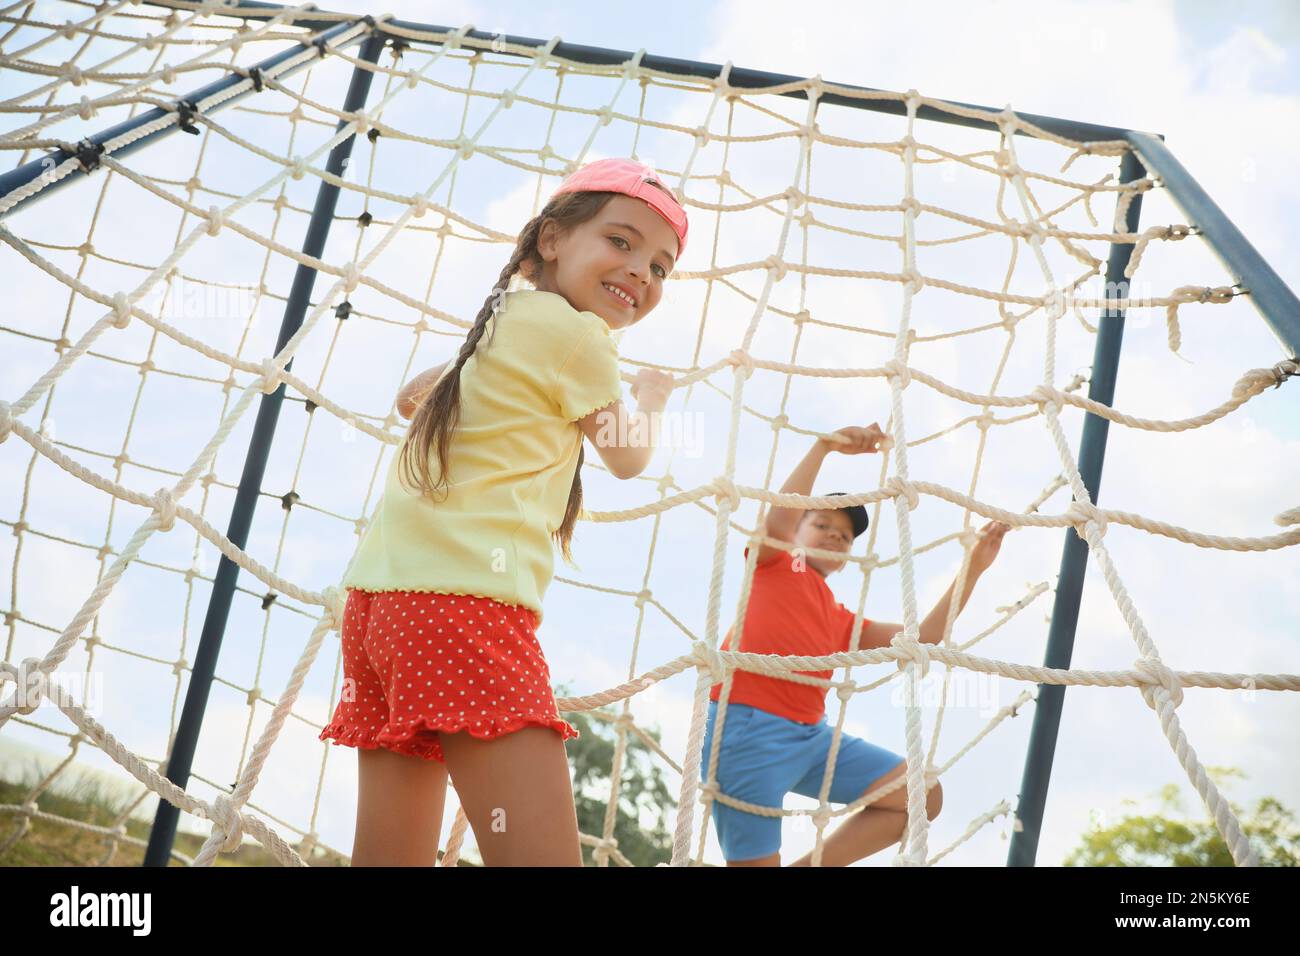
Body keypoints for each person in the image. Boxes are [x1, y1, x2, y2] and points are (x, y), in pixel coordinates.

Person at [319, 158, 685, 865]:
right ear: (551, 240)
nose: (642, 271)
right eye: (621, 242)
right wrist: (653, 401)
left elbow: (414, 394)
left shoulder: (502, 322)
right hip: (466, 610)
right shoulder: (577, 337)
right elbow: (627, 456)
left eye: (662, 267)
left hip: (378, 611)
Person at [700, 424, 1010, 866]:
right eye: (822, 523)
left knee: (923, 795)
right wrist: (822, 447)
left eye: (844, 536)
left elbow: (923, 635)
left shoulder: (843, 619)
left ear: (848, 558)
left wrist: (973, 569)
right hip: (747, 733)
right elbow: (779, 520)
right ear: (798, 532)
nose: (833, 535)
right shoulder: (772, 564)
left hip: (810, 741)